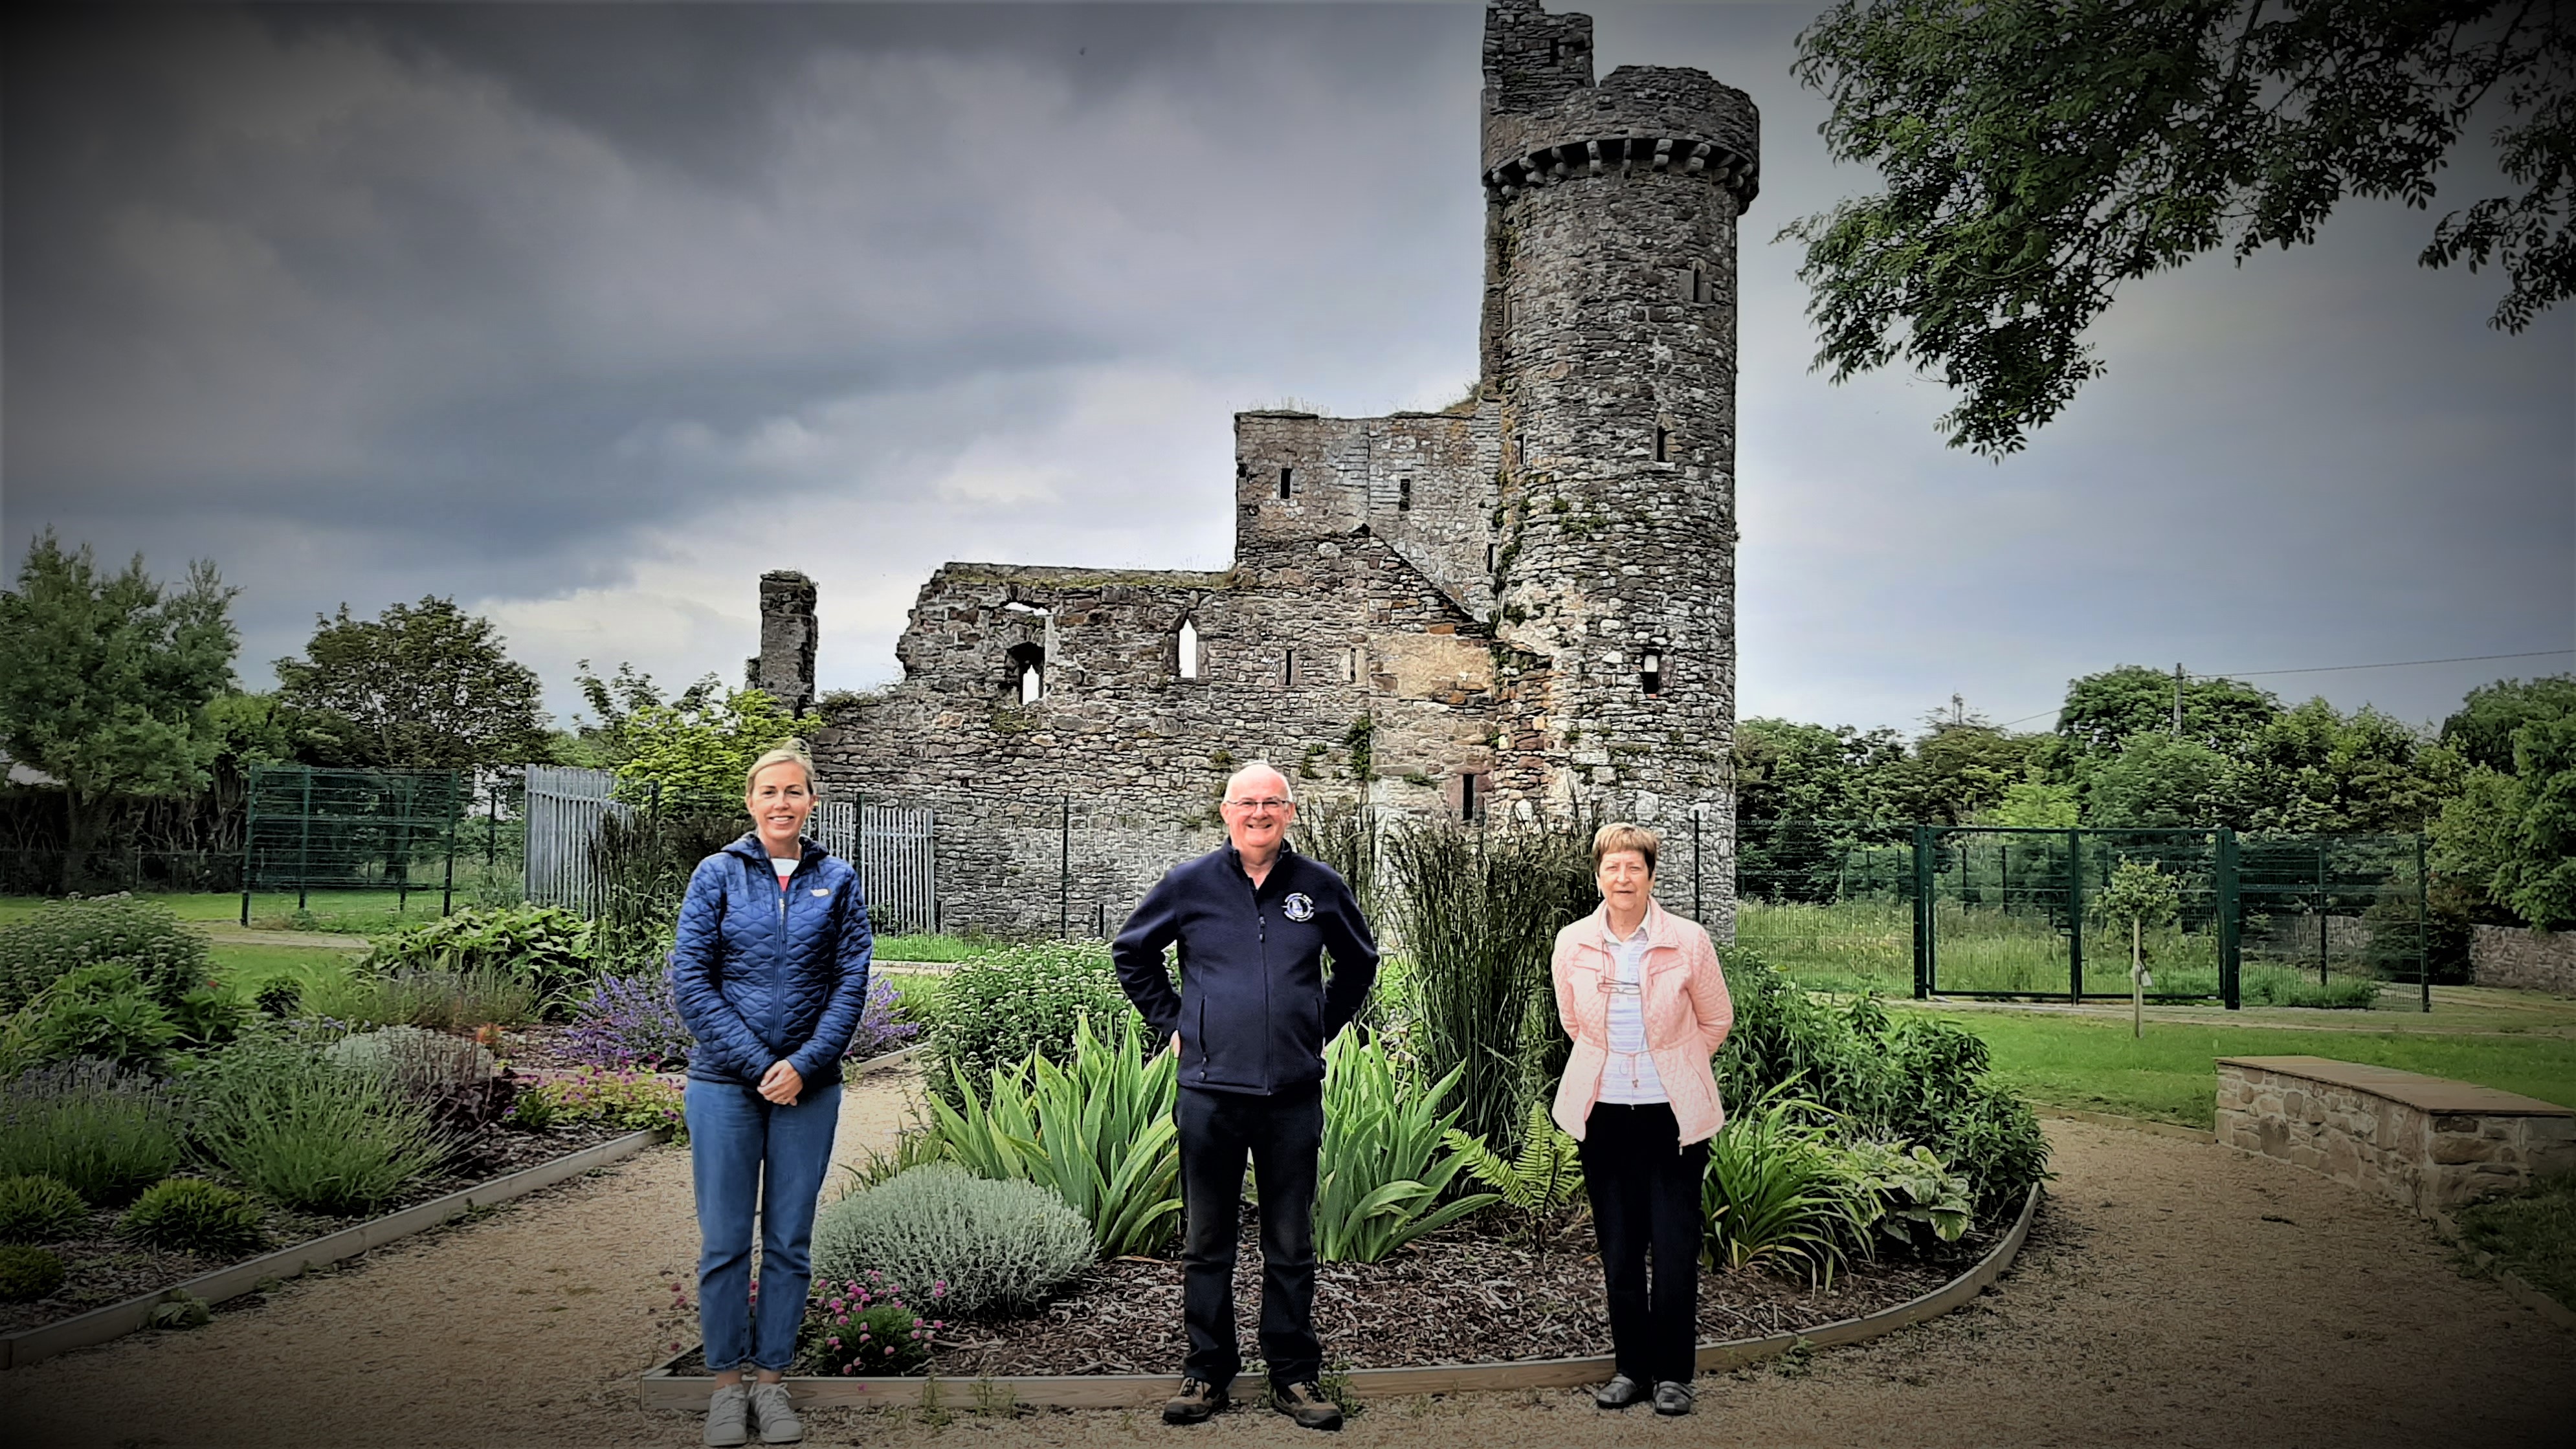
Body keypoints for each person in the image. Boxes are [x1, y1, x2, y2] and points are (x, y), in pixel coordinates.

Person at [1111, 761, 1379, 1432]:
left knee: (1290, 1242)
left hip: (1291, 1094)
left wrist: (1317, 1026)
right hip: (1209, 1093)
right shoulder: (1189, 883)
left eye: (1271, 802)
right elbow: (1132, 953)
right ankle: (1207, 1371)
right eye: (1246, 802)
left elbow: (1359, 963)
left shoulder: (1320, 886)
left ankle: (1293, 1374)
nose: (1259, 812)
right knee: (1207, 1241)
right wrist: (1173, 1023)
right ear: (1226, 812)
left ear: (1289, 812)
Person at [669, 744, 874, 1447]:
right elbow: (692, 981)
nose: (781, 803)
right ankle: (726, 1389)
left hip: (809, 1087)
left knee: (789, 1240)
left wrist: (805, 1065)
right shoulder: (717, 874)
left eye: (793, 791)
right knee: (726, 1241)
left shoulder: (837, 878)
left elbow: (851, 983)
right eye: (769, 791)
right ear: (751, 801)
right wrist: (763, 1065)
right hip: (724, 1084)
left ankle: (771, 1382)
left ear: (812, 801)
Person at [1549, 822, 1733, 1418]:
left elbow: (1716, 1019)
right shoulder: (1573, 941)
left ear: (1651, 876)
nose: (1623, 878)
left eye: (1634, 867)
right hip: (1604, 1114)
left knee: (1675, 1247)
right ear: (1598, 876)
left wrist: (1675, 1065)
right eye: (1612, 867)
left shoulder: (1689, 940)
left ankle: (1674, 1375)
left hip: (1672, 1117)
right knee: (1620, 1250)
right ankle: (1631, 1368)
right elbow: (1573, 1022)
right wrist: (1616, 1067)